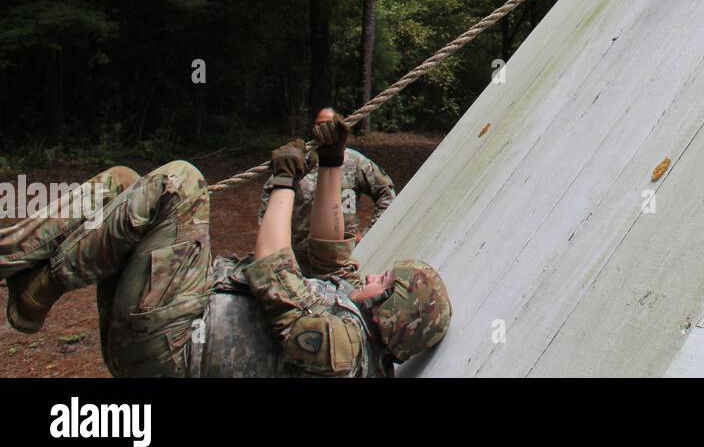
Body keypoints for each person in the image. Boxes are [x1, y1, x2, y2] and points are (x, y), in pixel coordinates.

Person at [2, 114, 450, 377]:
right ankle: (22, 278)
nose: (373, 275)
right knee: (123, 185)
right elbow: (332, 250)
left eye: (384, 281)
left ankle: (43, 283)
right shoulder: (353, 311)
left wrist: (283, 181)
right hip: (164, 320)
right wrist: (332, 161)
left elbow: (271, 268)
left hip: (170, 348)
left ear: (393, 314)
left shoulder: (346, 354)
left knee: (181, 182)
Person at [257, 108, 396, 274]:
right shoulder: (298, 161)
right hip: (298, 258)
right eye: (320, 125)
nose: (325, 129)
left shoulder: (354, 161)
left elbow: (386, 193)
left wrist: (370, 235)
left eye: (330, 124)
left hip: (339, 257)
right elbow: (268, 204)